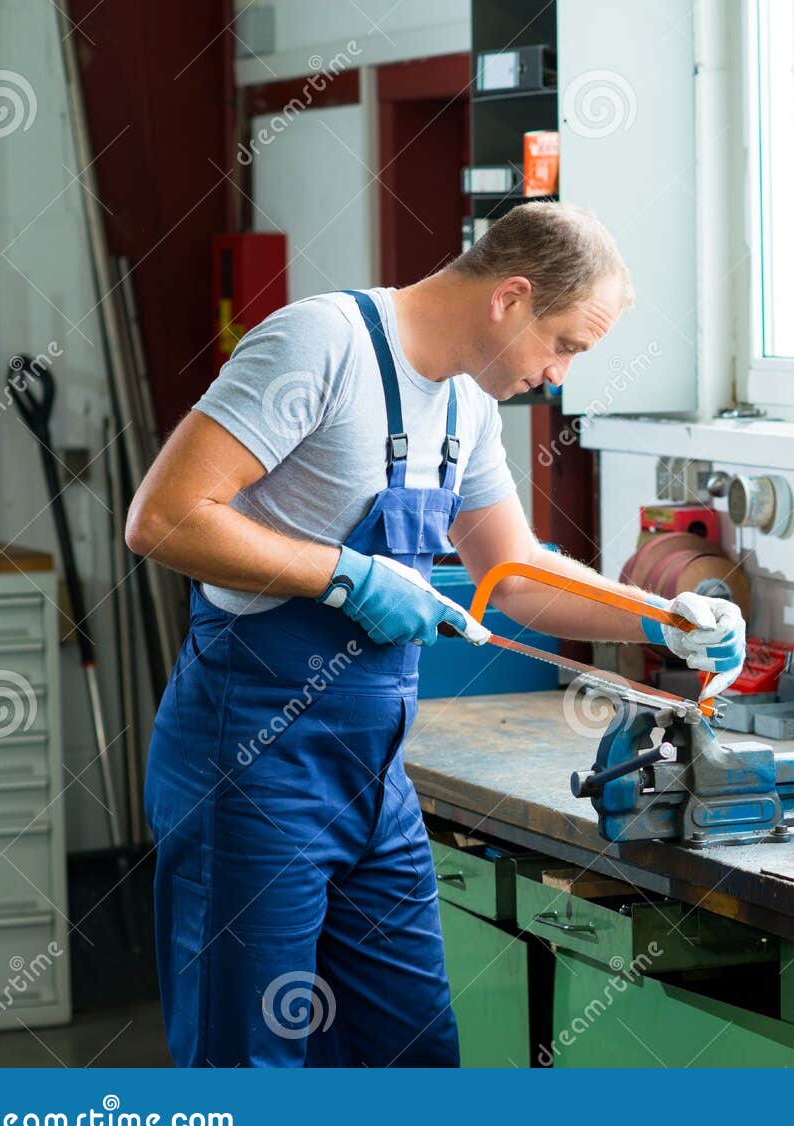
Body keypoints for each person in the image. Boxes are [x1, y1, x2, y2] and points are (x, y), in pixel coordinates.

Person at [126, 202, 745, 1067]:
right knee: (250, 1067)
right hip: (253, 768)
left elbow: (517, 578)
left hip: (377, 782)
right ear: (512, 298)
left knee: (412, 1062)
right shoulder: (322, 344)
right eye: (564, 344)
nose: (557, 373)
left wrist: (668, 620)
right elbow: (163, 518)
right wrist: (347, 576)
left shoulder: (466, 407)